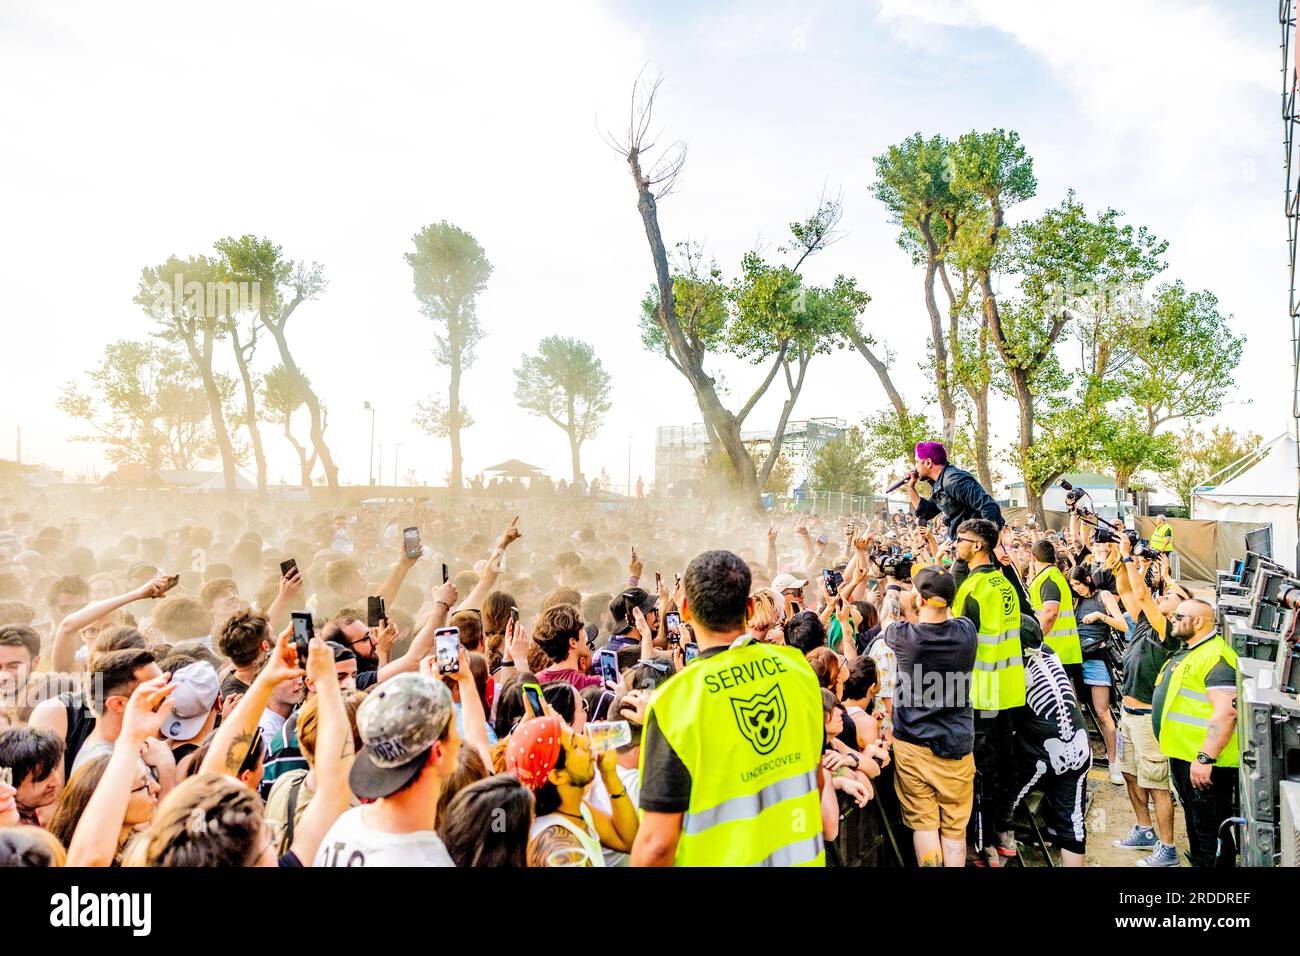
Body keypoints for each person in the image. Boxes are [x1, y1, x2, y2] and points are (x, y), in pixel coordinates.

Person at [631, 550, 825, 867]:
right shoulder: (800, 671)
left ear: (685, 610)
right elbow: (814, 780)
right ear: (749, 608)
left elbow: (656, 846)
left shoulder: (674, 703)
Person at [314, 672, 460, 867]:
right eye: (454, 727)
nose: (459, 738)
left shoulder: (343, 827)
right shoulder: (428, 861)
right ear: (438, 752)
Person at [885, 566, 977, 867]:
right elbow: (947, 617)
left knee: (924, 825)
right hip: (956, 747)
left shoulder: (903, 637)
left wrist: (894, 588)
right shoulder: (966, 633)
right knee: (954, 828)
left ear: (921, 600)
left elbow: (890, 617)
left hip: (913, 746)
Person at [951, 518, 1025, 864]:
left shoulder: (972, 589)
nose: (956, 544)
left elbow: (956, 643)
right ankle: (1004, 833)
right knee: (1004, 766)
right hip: (1008, 691)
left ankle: (984, 846)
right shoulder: (1004, 583)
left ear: (978, 545)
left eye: (960, 539)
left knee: (982, 772)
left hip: (981, 694)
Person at [1111, 534, 1181, 866]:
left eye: (1171, 597)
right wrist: (1117, 557)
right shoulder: (1143, 622)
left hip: (1147, 717)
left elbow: (1140, 592)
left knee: (1157, 784)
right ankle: (1144, 829)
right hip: (1127, 713)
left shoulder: (1167, 629)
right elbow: (1126, 590)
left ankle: (1167, 848)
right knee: (1130, 774)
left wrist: (1129, 556)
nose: (1163, 597)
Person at [1153, 597, 1239, 868]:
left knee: (1209, 832)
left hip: (1205, 765)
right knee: (1196, 824)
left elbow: (1226, 712)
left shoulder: (1216, 657)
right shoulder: (1193, 650)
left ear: (1198, 622)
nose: (1173, 620)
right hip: (1187, 758)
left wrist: (1205, 757)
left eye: (1179, 617)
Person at [1008, 614, 1091, 866]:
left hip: (1042, 753)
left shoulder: (1017, 670)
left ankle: (1001, 847)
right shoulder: (1050, 652)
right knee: (1072, 819)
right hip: (1079, 743)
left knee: (1004, 805)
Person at [509, 713, 637, 866]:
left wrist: (609, 774)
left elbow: (628, 841)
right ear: (556, 776)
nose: (586, 742)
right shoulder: (557, 849)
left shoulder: (577, 809)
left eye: (576, 735)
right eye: (574, 745)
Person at [905, 441, 1003, 540]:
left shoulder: (953, 480)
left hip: (973, 547)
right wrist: (910, 488)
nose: (915, 467)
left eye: (917, 462)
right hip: (963, 545)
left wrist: (988, 543)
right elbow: (927, 511)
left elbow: (989, 506)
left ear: (928, 463)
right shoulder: (940, 484)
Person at [1027, 540, 1082, 678]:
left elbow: (1050, 612)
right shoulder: (1054, 575)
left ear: (1033, 557)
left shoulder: (1047, 579)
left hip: (1054, 651)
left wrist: (1034, 641)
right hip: (1064, 651)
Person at [0, 727, 64, 826]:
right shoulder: (9, 831)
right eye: (42, 777)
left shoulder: (28, 816)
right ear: (10, 782)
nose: (56, 782)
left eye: (54, 769)